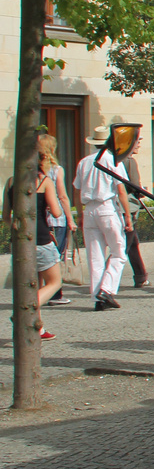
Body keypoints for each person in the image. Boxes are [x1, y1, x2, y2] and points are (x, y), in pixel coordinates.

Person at [6, 141, 71, 331]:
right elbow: (57, 213)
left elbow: (5, 216)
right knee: (54, 282)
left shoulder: (11, 181)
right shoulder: (44, 181)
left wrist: (17, 228)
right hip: (42, 238)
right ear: (41, 160)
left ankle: (38, 327)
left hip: (19, 241)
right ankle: (22, 312)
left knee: (32, 284)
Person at [75, 125, 134, 310]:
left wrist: (79, 214)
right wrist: (127, 215)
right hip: (107, 208)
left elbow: (77, 189)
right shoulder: (113, 160)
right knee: (118, 252)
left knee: (95, 257)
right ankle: (106, 289)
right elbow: (121, 189)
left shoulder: (84, 162)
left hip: (89, 209)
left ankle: (97, 297)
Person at [37, 134, 76, 305]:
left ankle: (39, 294)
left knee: (39, 264)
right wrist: (70, 219)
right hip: (55, 220)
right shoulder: (56, 169)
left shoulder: (31, 172)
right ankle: (54, 294)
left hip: (39, 221)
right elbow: (62, 196)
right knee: (54, 259)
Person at [117, 123, 150, 289]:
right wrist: (142, 191)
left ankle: (140, 275)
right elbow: (134, 185)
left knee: (133, 244)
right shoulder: (129, 161)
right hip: (127, 208)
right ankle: (110, 279)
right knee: (124, 245)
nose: (138, 144)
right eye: (137, 141)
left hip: (116, 207)